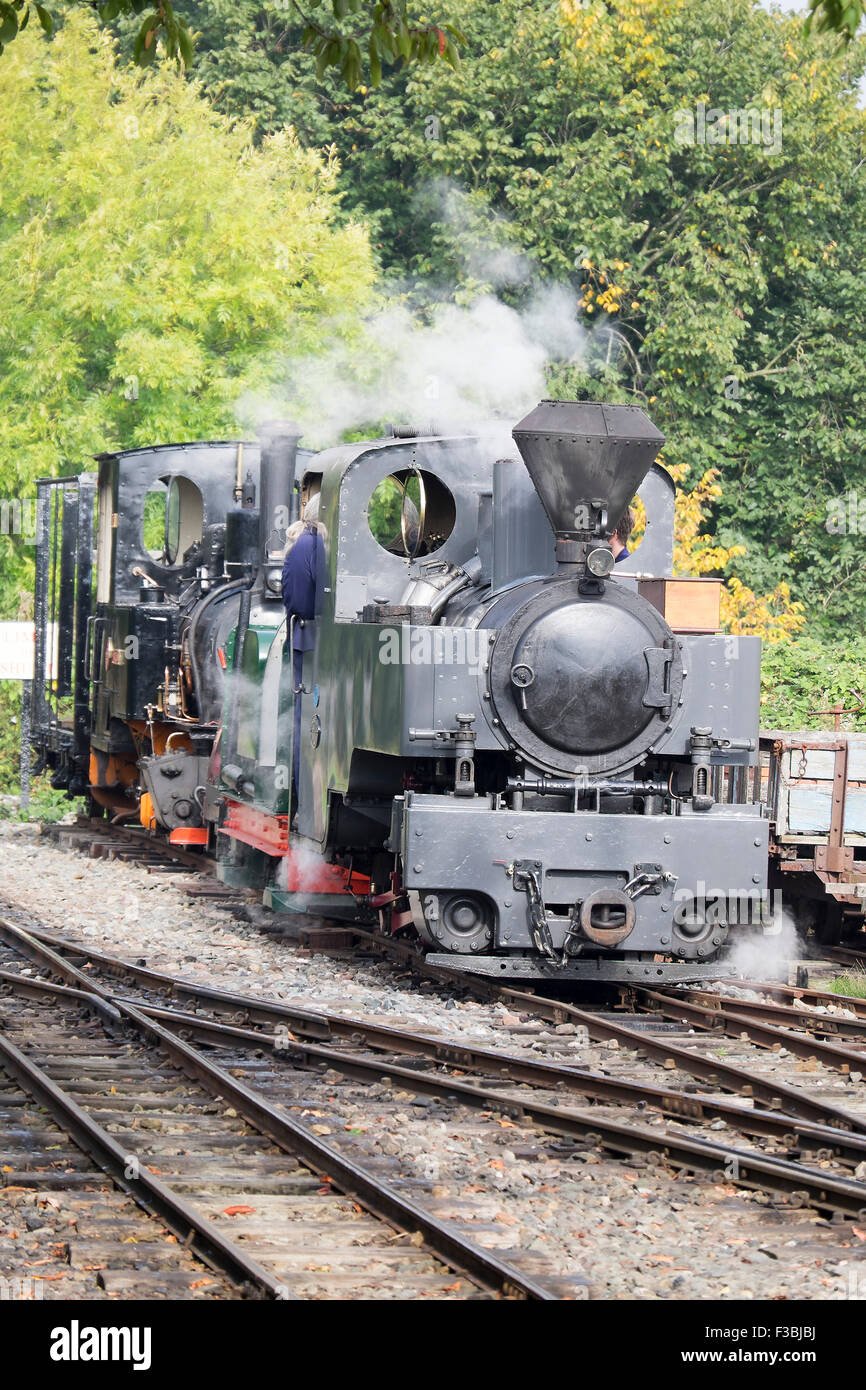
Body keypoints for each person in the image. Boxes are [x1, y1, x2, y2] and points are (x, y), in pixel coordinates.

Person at [282, 493, 326, 812]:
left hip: (315, 643)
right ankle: (302, 802)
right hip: (312, 648)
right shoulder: (309, 547)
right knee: (307, 722)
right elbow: (300, 603)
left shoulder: (310, 546)